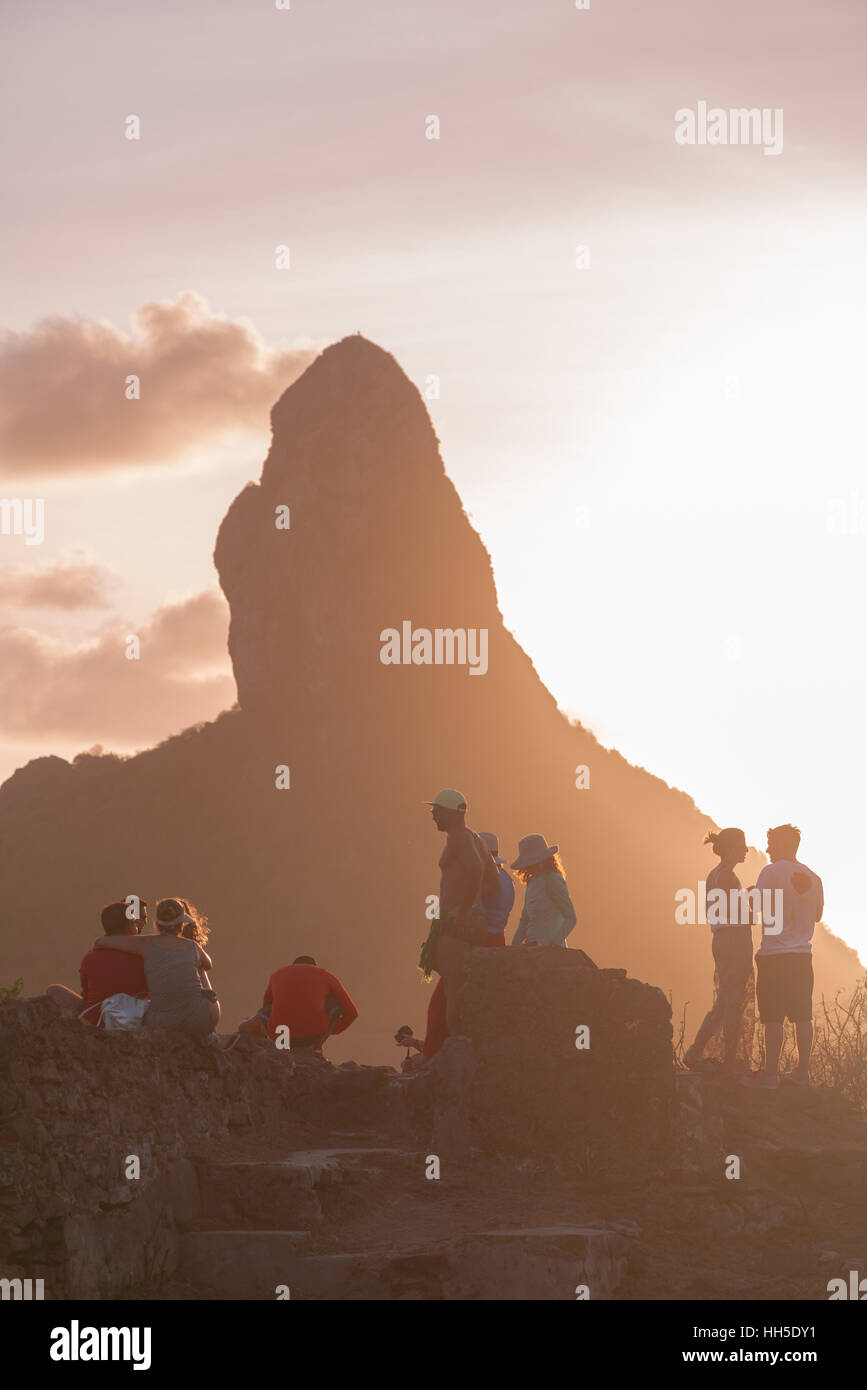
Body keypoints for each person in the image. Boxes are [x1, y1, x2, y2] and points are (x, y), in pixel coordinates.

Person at [747, 824, 823, 1089]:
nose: (767, 849)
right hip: (803, 955)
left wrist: (749, 895)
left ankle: (770, 1075)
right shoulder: (814, 877)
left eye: (771, 843)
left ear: (781, 845)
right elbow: (817, 915)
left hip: (774, 955)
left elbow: (758, 908)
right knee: (803, 1014)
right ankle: (802, 1072)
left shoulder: (770, 872)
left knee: (773, 1016)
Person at [421, 788, 500, 1035]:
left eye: (437, 811)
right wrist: (474, 905)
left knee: (453, 991)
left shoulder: (458, 837)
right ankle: (461, 1044)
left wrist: (464, 910)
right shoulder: (475, 838)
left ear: (451, 813)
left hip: (458, 920)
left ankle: (457, 1047)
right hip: (467, 919)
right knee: (460, 987)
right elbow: (494, 879)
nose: (433, 815)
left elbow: (477, 871)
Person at [93, 897, 223, 1041]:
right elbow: (208, 963)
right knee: (200, 967)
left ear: (157, 923)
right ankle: (211, 1035)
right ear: (181, 925)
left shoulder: (145, 943)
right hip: (203, 1018)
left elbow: (100, 941)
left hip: (164, 1022)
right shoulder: (193, 946)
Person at [684, 828, 754, 1076]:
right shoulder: (726, 877)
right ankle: (728, 1059)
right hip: (734, 941)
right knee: (733, 1001)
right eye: (742, 845)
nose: (746, 850)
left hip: (723, 940)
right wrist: (752, 901)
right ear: (730, 848)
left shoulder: (716, 874)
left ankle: (698, 1051)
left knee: (725, 1000)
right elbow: (733, 913)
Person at [47, 898, 149, 1025]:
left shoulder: (90, 958)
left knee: (54, 990)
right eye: (135, 922)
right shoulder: (142, 957)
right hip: (131, 1019)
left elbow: (86, 994)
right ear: (129, 926)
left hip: (94, 1021)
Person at [256, 955, 358, 1055]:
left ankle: (280, 1049)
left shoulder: (277, 974)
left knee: (266, 1010)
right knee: (334, 1004)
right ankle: (316, 1049)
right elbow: (352, 1012)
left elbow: (266, 1006)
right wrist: (333, 1030)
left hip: (280, 1035)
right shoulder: (325, 975)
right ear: (315, 966)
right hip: (314, 1036)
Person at [510, 834, 577, 947]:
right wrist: (515, 944)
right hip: (531, 946)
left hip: (551, 952)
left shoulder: (553, 879)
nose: (528, 868)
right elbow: (525, 919)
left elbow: (571, 918)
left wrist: (555, 942)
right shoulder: (531, 882)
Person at [477, 832, 515, 947]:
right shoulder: (508, 879)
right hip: (499, 937)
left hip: (482, 937)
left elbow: (477, 908)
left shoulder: (485, 877)